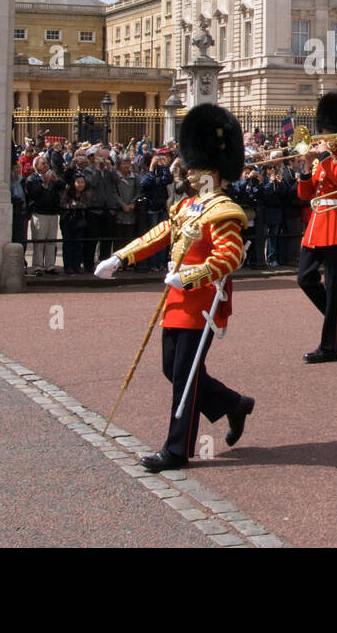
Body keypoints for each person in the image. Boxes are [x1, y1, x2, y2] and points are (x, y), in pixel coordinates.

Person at [93, 104, 255, 472]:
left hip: (201, 301)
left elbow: (230, 257)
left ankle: (176, 449)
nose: (190, 171)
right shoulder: (188, 206)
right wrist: (121, 258)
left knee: (184, 375)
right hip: (177, 298)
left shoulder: (224, 209)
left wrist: (191, 276)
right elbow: (160, 234)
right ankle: (232, 404)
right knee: (175, 369)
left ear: (213, 169)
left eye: (196, 166)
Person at [295, 92, 337, 363]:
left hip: (335, 223)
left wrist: (322, 159)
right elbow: (304, 194)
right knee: (305, 278)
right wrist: (308, 167)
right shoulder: (324, 159)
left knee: (334, 289)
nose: (320, 137)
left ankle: (328, 346)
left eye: (325, 132)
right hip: (317, 223)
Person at [24, 155, 63, 274]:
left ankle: (50, 265)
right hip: (39, 213)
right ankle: (38, 266)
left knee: (51, 241)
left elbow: (62, 188)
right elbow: (33, 195)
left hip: (52, 213)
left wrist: (57, 181)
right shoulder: (32, 179)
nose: (46, 166)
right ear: (36, 167)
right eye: (43, 164)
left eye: (47, 163)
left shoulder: (52, 177)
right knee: (39, 241)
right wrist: (44, 184)